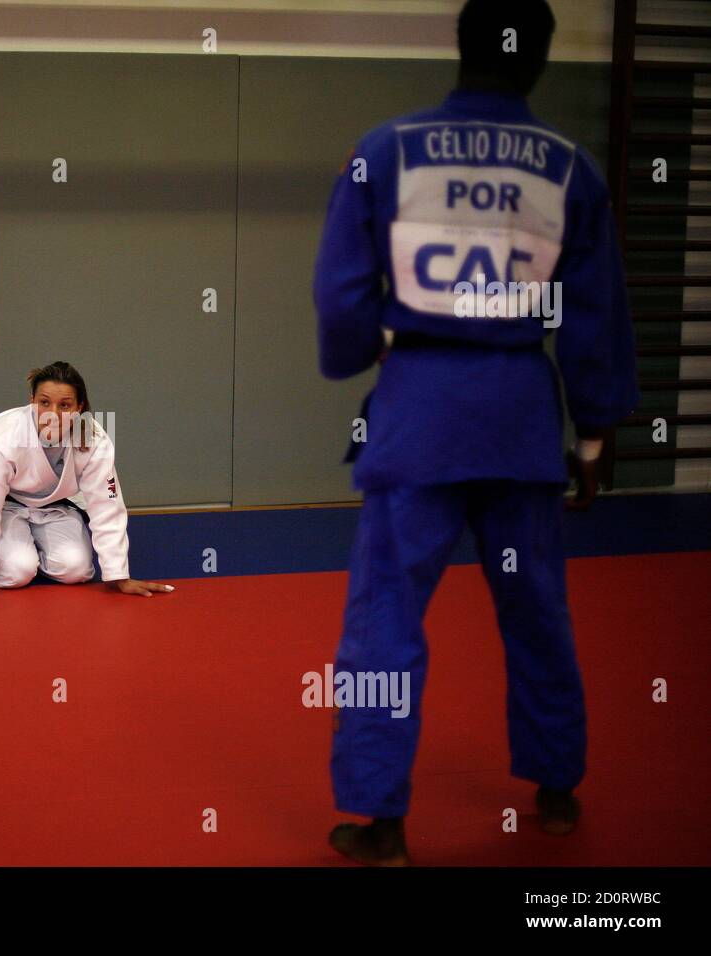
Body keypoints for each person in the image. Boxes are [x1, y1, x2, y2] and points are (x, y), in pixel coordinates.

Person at [311, 0, 639, 865]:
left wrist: (358, 348)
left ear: (461, 50)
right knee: (536, 610)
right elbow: (596, 319)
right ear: (537, 60)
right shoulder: (572, 170)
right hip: (521, 416)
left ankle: (380, 819)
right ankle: (558, 788)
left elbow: (340, 295)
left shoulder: (385, 151)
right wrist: (595, 435)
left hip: (420, 410)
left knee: (385, 620)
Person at [0, 361, 173, 607]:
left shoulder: (93, 438)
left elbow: (107, 506)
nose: (53, 414)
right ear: (32, 400)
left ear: (79, 408)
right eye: (44, 402)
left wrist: (119, 574)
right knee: (18, 572)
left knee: (75, 570)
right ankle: (21, 548)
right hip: (6, 506)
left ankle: (35, 544)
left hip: (57, 507)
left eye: (65, 405)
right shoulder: (4, 437)